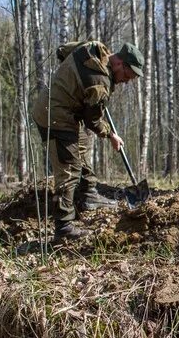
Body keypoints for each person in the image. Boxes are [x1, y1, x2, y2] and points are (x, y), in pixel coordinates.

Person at [32, 41, 143, 240]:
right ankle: (64, 226)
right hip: (55, 115)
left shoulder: (93, 47)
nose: (125, 81)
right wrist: (111, 135)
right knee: (69, 168)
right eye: (127, 76)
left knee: (82, 143)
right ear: (119, 64)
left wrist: (74, 78)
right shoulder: (100, 84)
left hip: (62, 111)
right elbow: (92, 121)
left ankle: (87, 194)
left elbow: (61, 50)